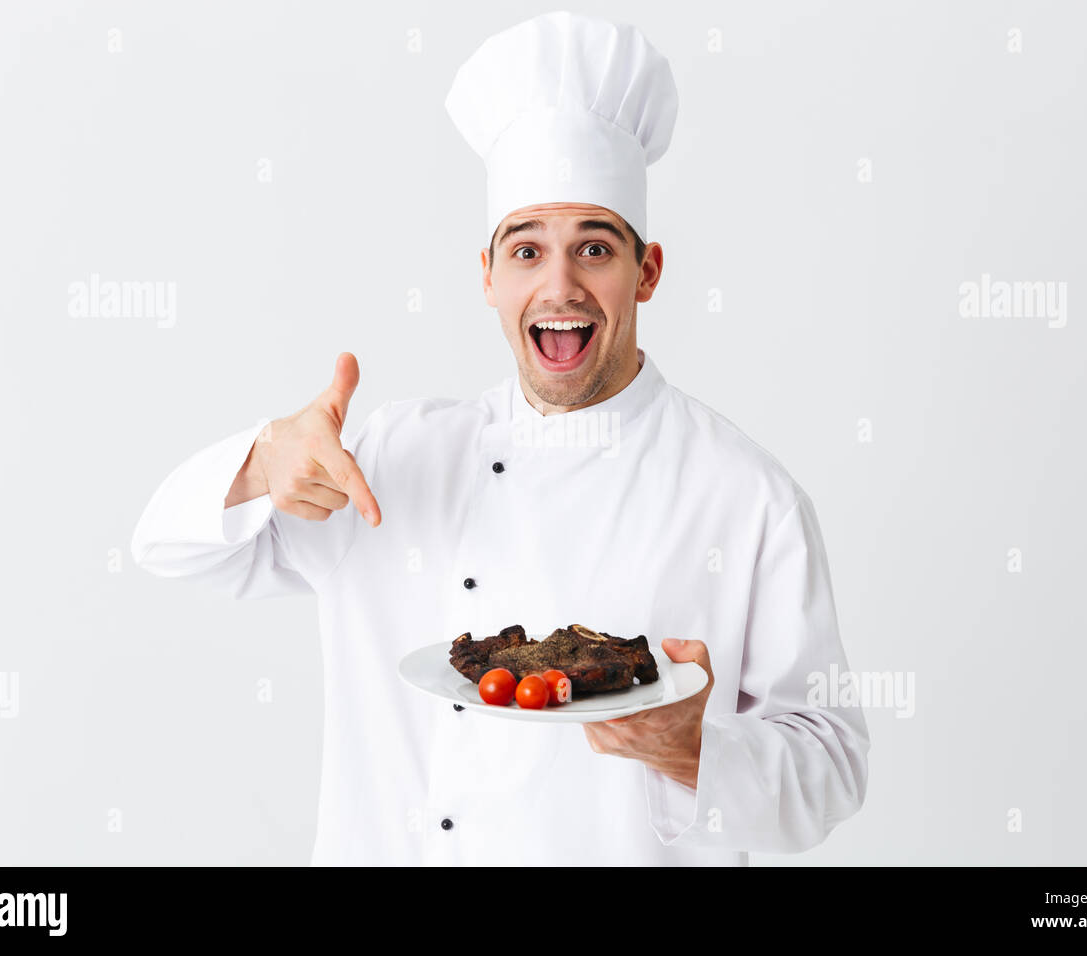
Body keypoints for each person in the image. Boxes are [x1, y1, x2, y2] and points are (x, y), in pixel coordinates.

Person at [131, 10, 869, 866]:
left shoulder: (746, 495)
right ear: (487, 276)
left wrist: (691, 747)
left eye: (594, 248)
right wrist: (262, 461)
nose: (560, 286)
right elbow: (164, 546)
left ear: (649, 271)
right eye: (526, 251)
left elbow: (835, 764)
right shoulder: (397, 456)